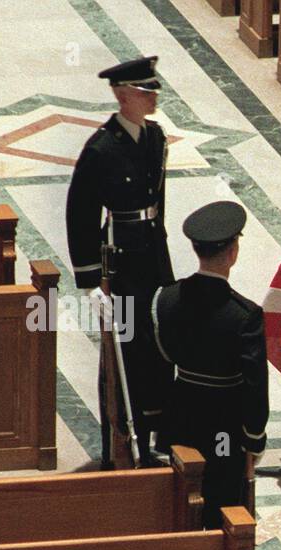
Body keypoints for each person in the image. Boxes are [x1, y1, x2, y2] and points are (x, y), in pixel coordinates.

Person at [66, 55, 175, 468]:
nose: (153, 98)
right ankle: (121, 436)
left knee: (160, 344)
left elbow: (158, 203)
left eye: (153, 90)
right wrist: (92, 279)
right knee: (123, 350)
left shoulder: (155, 138)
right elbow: (81, 213)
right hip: (122, 267)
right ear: (122, 94)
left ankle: (159, 429)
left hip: (153, 259)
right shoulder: (101, 148)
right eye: (146, 91)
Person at [153, 201, 269, 529]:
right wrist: (254, 439)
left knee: (180, 505)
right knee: (223, 511)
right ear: (233, 251)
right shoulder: (245, 315)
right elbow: (255, 386)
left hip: (181, 418)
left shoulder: (166, 298)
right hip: (225, 426)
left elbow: (163, 355)